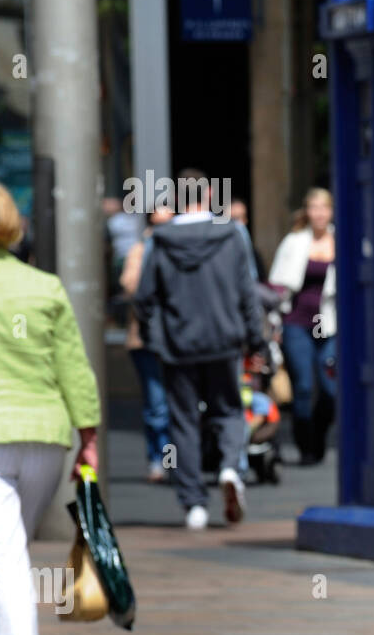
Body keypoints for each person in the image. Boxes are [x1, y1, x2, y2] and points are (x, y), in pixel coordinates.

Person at [0, 177, 100, 635]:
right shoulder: (43, 286)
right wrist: (87, 434)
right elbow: (74, 366)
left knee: (2, 562)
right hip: (46, 440)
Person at [133, 169, 264, 529]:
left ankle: (194, 505)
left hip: (178, 346)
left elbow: (144, 298)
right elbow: (247, 294)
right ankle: (227, 468)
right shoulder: (232, 235)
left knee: (184, 421)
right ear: (209, 194)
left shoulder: (159, 240)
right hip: (224, 341)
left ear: (176, 199)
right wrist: (256, 340)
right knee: (229, 410)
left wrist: (154, 338)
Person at [268, 188, 336, 466]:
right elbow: (277, 287)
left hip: (329, 324)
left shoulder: (341, 240)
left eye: (324, 207)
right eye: (313, 207)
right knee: (304, 386)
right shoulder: (294, 242)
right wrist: (274, 324)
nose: (319, 213)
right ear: (306, 211)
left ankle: (318, 433)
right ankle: (306, 446)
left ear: (331, 211)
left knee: (331, 389)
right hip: (296, 322)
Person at [119, 205, 174, 483]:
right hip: (144, 340)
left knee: (178, 405)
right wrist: (150, 251)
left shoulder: (181, 250)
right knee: (156, 405)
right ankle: (159, 460)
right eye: (157, 224)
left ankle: (177, 460)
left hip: (178, 339)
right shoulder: (140, 251)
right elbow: (130, 286)